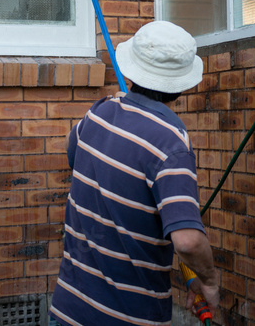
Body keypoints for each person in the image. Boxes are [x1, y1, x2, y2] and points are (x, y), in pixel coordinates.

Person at [50, 20, 220, 326]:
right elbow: (187, 242)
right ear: (181, 84)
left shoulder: (99, 112)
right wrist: (209, 282)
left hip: (68, 311)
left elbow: (71, 148)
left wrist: (111, 106)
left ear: (132, 70)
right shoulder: (171, 143)